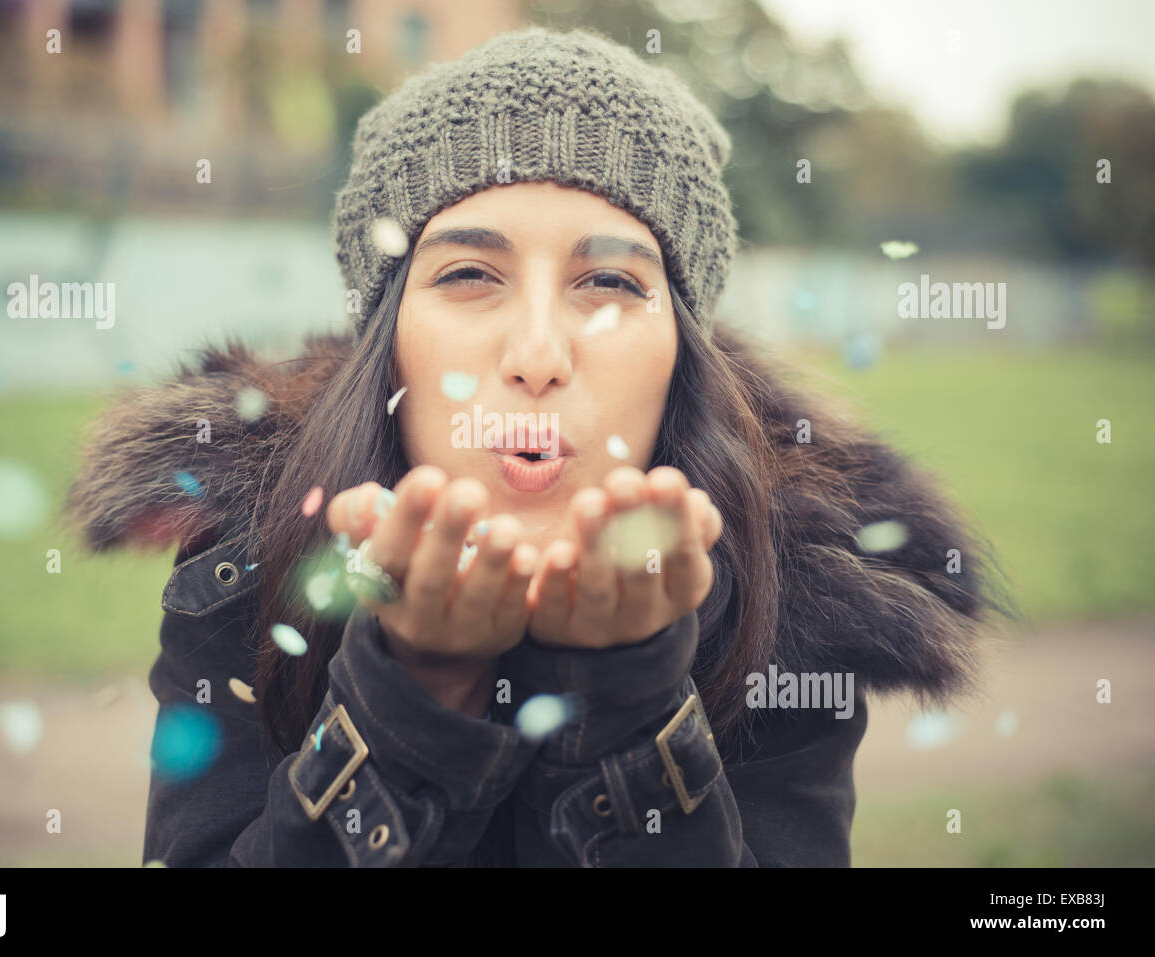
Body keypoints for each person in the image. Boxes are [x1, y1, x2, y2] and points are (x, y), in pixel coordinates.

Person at [64, 25, 998, 867]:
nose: (540, 355)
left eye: (609, 282)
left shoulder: (799, 595)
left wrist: (628, 698)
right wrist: (411, 699)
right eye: (469, 273)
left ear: (682, 350)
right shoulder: (247, 565)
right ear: (386, 339)